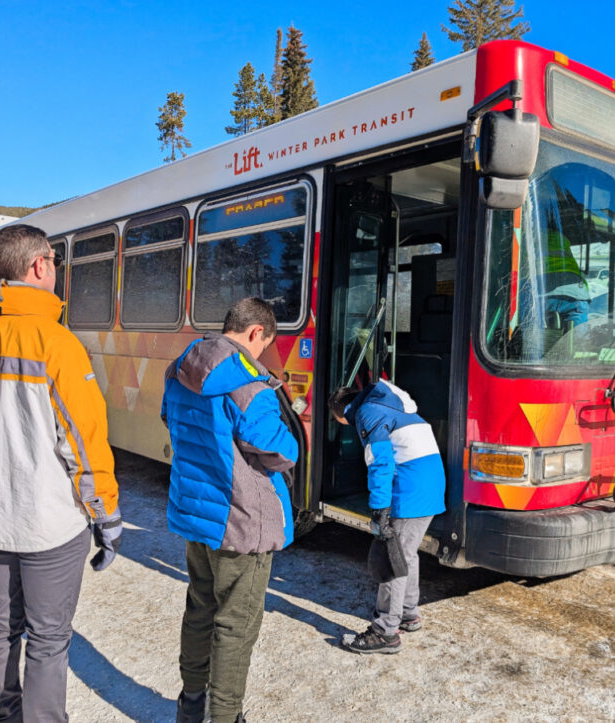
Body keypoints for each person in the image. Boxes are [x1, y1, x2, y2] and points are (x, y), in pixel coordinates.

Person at [0, 224, 121, 723]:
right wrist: (105, 515)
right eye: (54, 263)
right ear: (40, 265)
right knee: (48, 638)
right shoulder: (57, 344)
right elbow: (83, 443)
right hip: (49, 523)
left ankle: (1, 717)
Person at [161, 297, 298, 723]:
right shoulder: (249, 385)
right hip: (240, 521)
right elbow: (279, 450)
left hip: (197, 514)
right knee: (236, 625)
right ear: (256, 332)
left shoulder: (180, 368)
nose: (261, 355)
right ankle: (224, 716)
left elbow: (170, 418)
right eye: (264, 345)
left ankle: (190, 705)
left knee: (200, 608)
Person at [328, 380, 446, 655]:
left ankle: (385, 632)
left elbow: (380, 462)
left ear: (342, 412)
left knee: (391, 559)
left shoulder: (367, 412)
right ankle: (408, 613)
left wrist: (379, 509)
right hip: (429, 488)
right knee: (406, 554)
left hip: (410, 490)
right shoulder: (390, 406)